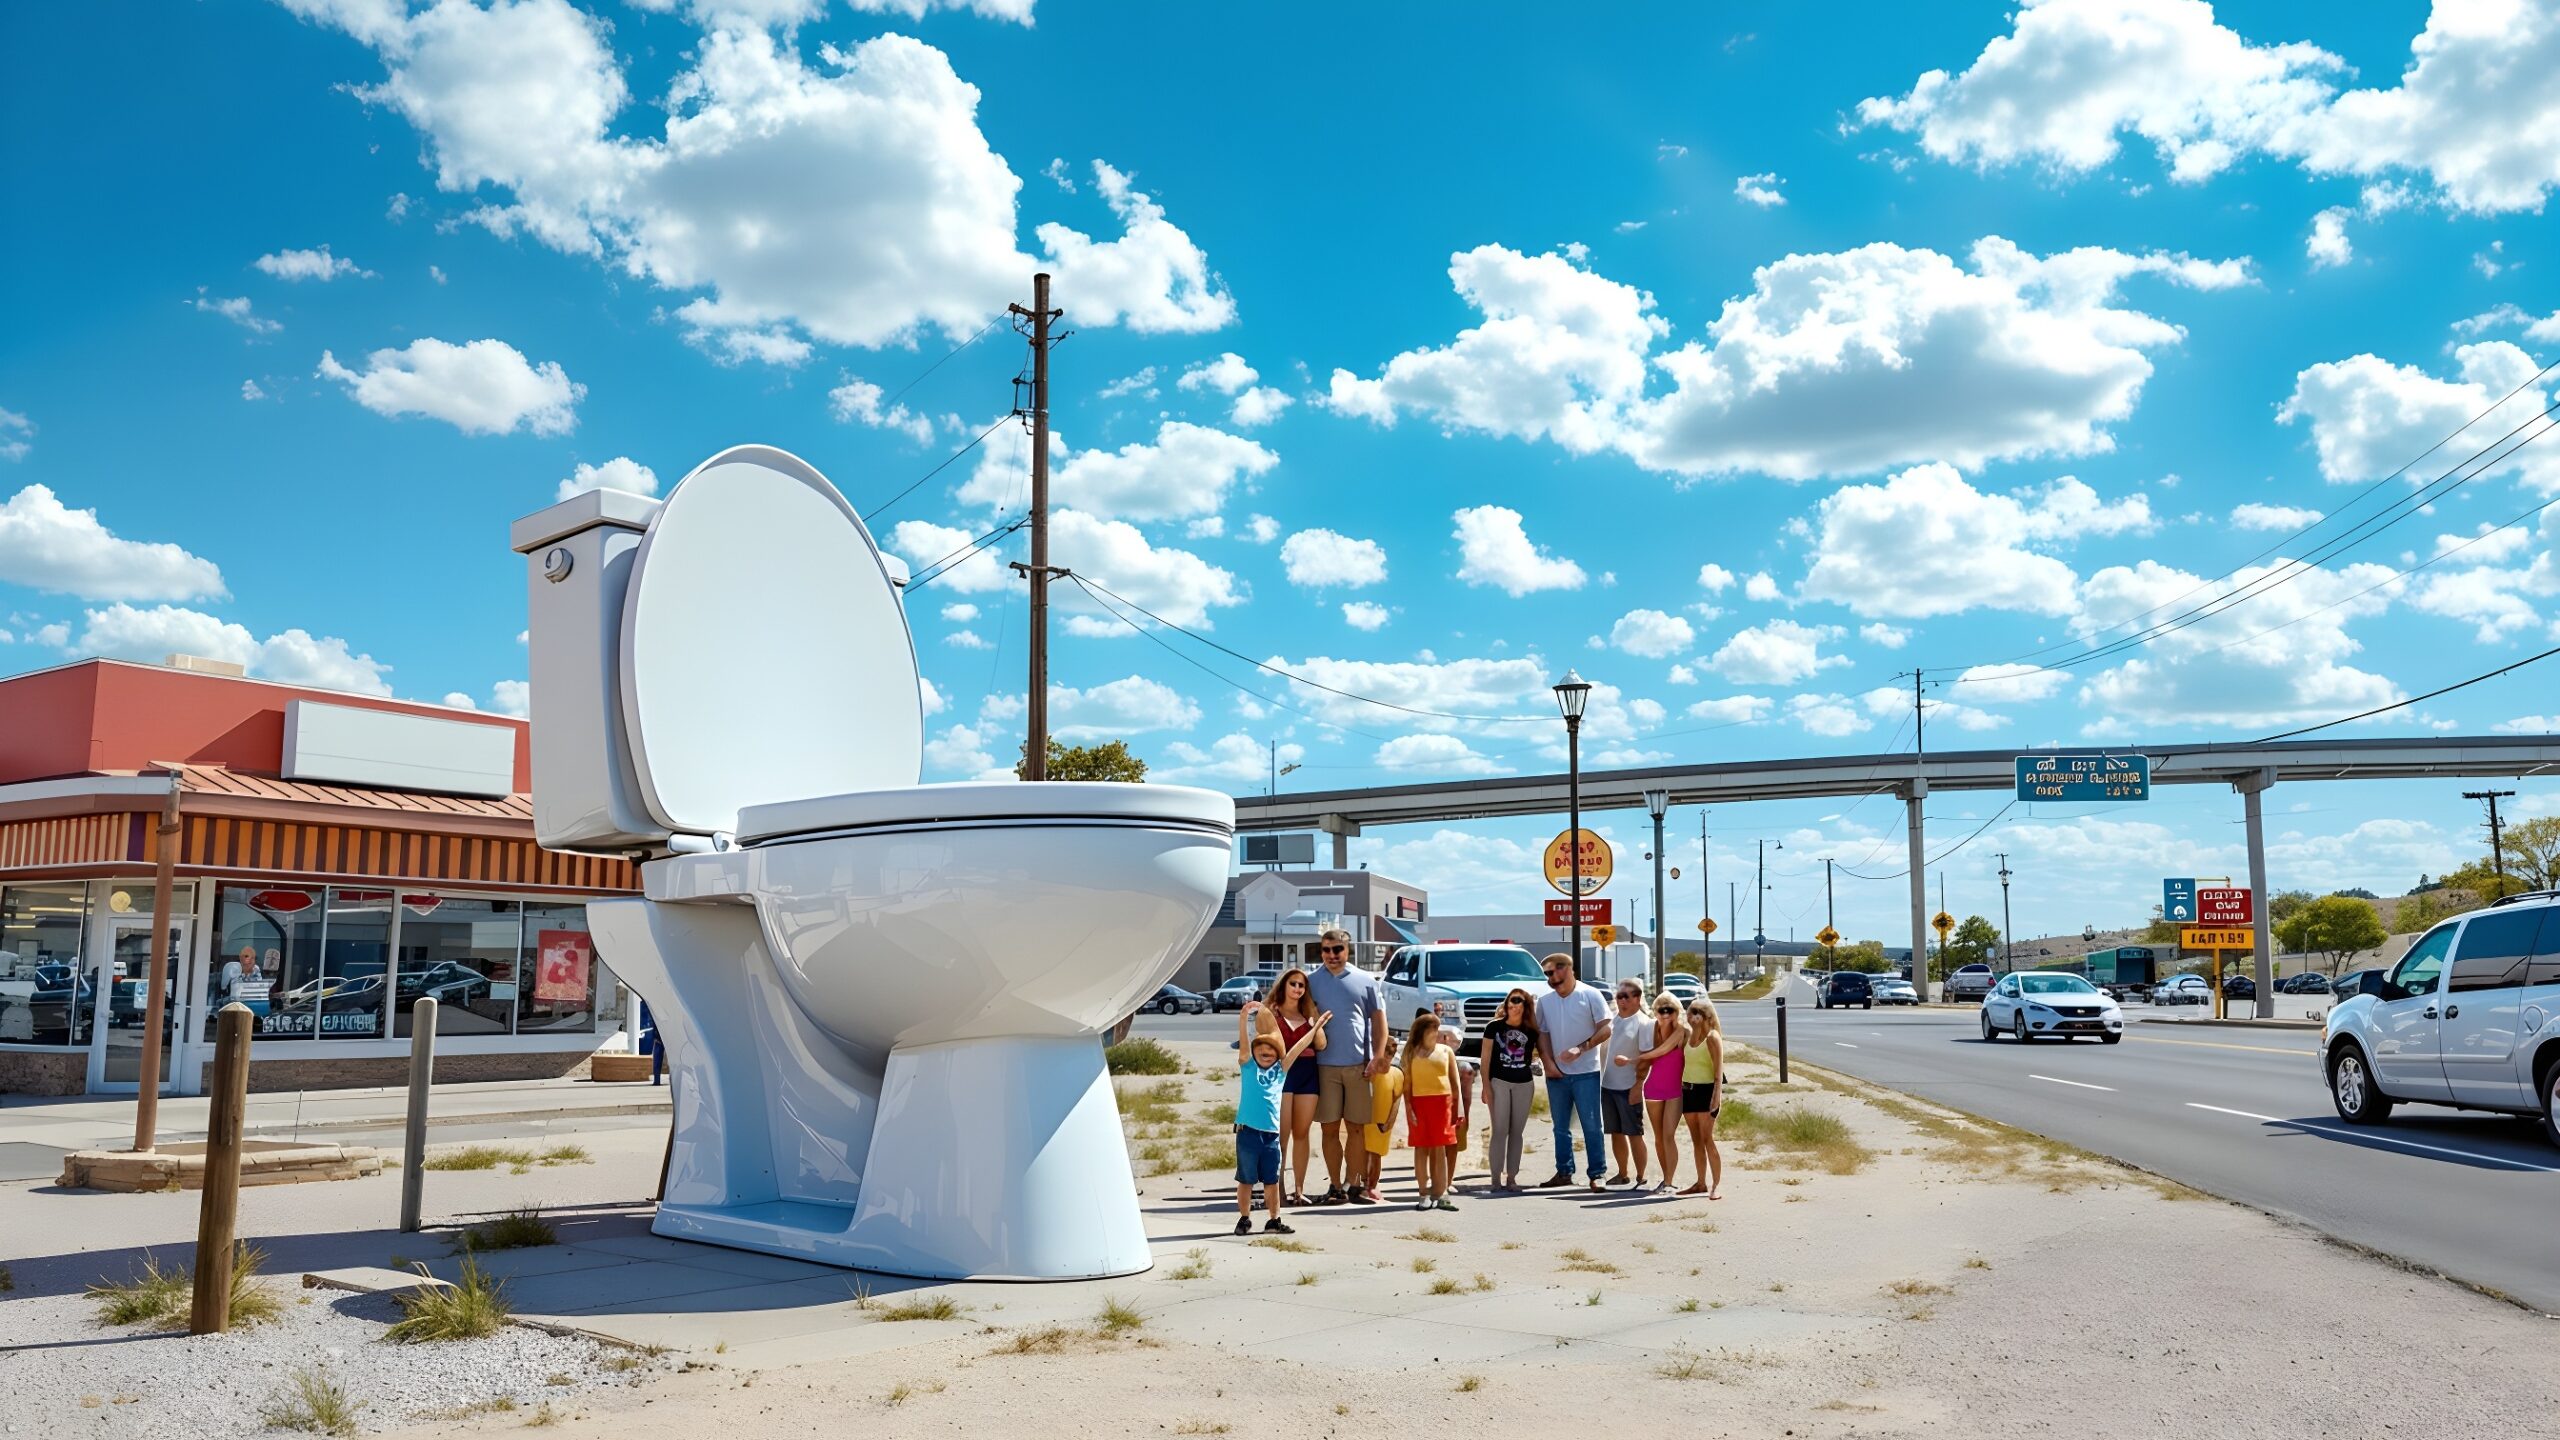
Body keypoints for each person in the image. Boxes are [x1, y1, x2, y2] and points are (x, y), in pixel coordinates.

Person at [1305, 929, 1389, 1205]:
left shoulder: (1366, 981)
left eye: (1337, 949)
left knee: (1356, 1129)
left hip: (1358, 1066)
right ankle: (1335, 1187)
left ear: (1347, 950)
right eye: (1326, 950)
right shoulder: (1310, 982)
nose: (1332, 955)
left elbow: (1379, 1022)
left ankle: (1354, 1184)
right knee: (1329, 1129)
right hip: (1323, 1066)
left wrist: (1377, 1057)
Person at [1235, 999, 1327, 1234]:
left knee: (1272, 1181)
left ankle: (1274, 1220)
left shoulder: (1280, 1070)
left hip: (1271, 1137)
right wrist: (1244, 1018)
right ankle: (1244, 1218)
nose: (1265, 1053)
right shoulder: (1248, 1067)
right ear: (1254, 1052)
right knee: (1246, 1180)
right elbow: (1244, 1045)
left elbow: (1298, 1047)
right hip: (1248, 1134)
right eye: (1261, 1050)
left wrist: (1315, 1028)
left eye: (1271, 1051)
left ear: (1278, 1055)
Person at [1533, 953, 1612, 1191]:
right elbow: (1542, 1034)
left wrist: (1582, 1048)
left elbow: (1606, 1028)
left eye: (1554, 972)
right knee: (1560, 1127)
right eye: (1547, 974)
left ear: (1567, 969)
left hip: (1587, 1072)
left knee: (1591, 1125)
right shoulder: (1545, 1002)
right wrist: (1548, 1064)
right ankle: (1564, 1171)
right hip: (1557, 1074)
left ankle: (1597, 1173)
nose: (1551, 978)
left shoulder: (1590, 994)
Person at [1255, 967, 1326, 1205]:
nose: (1297, 989)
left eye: (1301, 985)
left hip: (1308, 1072)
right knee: (1281, 1136)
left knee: (1302, 1133)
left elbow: (1321, 1044)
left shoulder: (1308, 1013)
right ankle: (1279, 1190)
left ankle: (1299, 1190)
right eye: (1293, 984)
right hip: (1282, 1074)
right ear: (1283, 985)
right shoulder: (1270, 1012)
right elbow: (1266, 1044)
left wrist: (1314, 1021)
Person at [1477, 988, 1539, 1192]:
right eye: (1511, 1000)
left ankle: (1512, 1177)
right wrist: (1486, 1087)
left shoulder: (1532, 1030)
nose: (1514, 1005)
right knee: (1499, 1130)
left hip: (1524, 1083)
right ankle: (1495, 1178)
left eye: (1519, 1001)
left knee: (1516, 1132)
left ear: (1526, 1005)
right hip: (1499, 1082)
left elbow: (1543, 1051)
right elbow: (1485, 1060)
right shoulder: (1494, 1027)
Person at [1401, 1011, 1461, 1212]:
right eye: (1432, 1028)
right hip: (1419, 1103)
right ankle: (1423, 1193)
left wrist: (1457, 1108)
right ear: (1422, 1030)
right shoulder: (1411, 1052)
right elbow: (1407, 1084)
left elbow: (1455, 1082)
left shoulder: (1446, 1051)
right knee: (1421, 1148)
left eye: (1437, 1027)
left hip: (1443, 1104)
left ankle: (1441, 1193)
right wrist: (1408, 1107)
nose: (1436, 1032)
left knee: (1440, 1148)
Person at [1600, 979, 1651, 1187]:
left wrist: (1638, 1085)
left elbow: (1646, 1058)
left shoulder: (1644, 1023)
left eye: (1626, 996)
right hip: (1607, 1085)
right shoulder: (1612, 1021)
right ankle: (1622, 1173)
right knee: (1616, 1132)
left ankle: (1641, 1176)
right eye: (1618, 996)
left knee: (1634, 1133)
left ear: (1637, 998)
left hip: (1629, 1087)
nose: (1621, 1000)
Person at [1637, 992, 1687, 1194]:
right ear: (1655, 1011)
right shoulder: (1650, 1030)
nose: (1665, 1014)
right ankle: (1666, 1178)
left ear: (1677, 1011)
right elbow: (1643, 1055)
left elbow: (1663, 1051)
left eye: (1670, 1010)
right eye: (1661, 1010)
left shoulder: (1683, 1031)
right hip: (1653, 1088)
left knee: (1668, 1135)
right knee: (1658, 1137)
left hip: (1676, 1090)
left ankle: (1668, 1181)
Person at [1679, 998, 1725, 1199]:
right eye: (1689, 1012)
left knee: (1707, 1139)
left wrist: (1716, 1098)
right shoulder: (1689, 1036)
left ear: (1706, 1016)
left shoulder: (1713, 1037)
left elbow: (1718, 1072)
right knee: (1696, 1140)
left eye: (1695, 1013)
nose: (1691, 1017)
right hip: (1688, 1092)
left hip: (1707, 1092)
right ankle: (1700, 1183)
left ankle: (1716, 1185)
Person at [1363, 1041, 1404, 1200]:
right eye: (1385, 1054)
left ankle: (1373, 1185)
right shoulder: (1369, 1070)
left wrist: (1389, 1123)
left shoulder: (1396, 1074)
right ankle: (1363, 1184)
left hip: (1382, 1121)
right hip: (1366, 1118)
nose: (1387, 1058)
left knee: (1376, 1154)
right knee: (1363, 1153)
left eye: (1390, 1055)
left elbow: (1396, 1100)